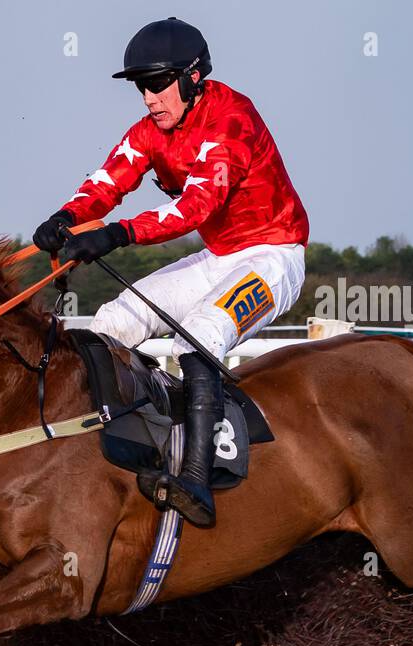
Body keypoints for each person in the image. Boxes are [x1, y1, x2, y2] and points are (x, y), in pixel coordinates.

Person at [32, 16, 309, 527]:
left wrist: (114, 234)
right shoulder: (151, 131)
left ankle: (198, 482)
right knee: (112, 322)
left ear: (193, 77)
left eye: (158, 85)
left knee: (199, 335)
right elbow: (109, 179)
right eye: (142, 87)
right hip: (221, 256)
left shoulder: (232, 120)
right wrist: (66, 217)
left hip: (273, 256)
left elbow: (196, 208)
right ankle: (123, 442)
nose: (148, 98)